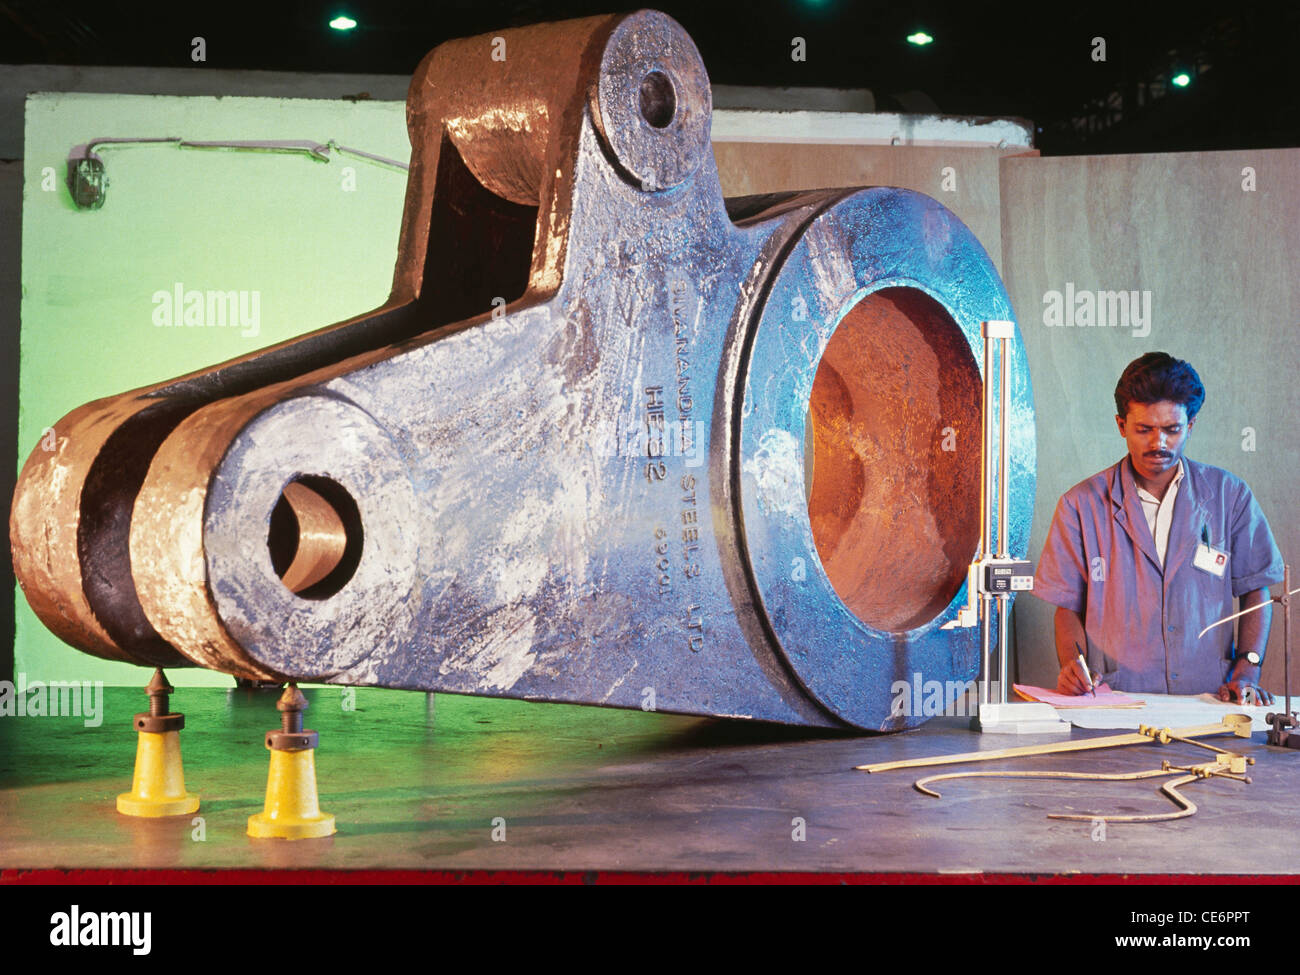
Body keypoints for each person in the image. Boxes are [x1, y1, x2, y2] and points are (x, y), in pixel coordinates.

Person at [1034, 352, 1283, 703]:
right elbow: (1067, 606)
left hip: (1211, 698)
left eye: (1172, 429)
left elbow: (1257, 592)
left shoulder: (1231, 496)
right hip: (1115, 699)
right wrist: (1073, 664)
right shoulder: (1081, 505)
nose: (1159, 444)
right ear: (1121, 426)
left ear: (1191, 425)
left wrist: (1248, 669)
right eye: (1144, 430)